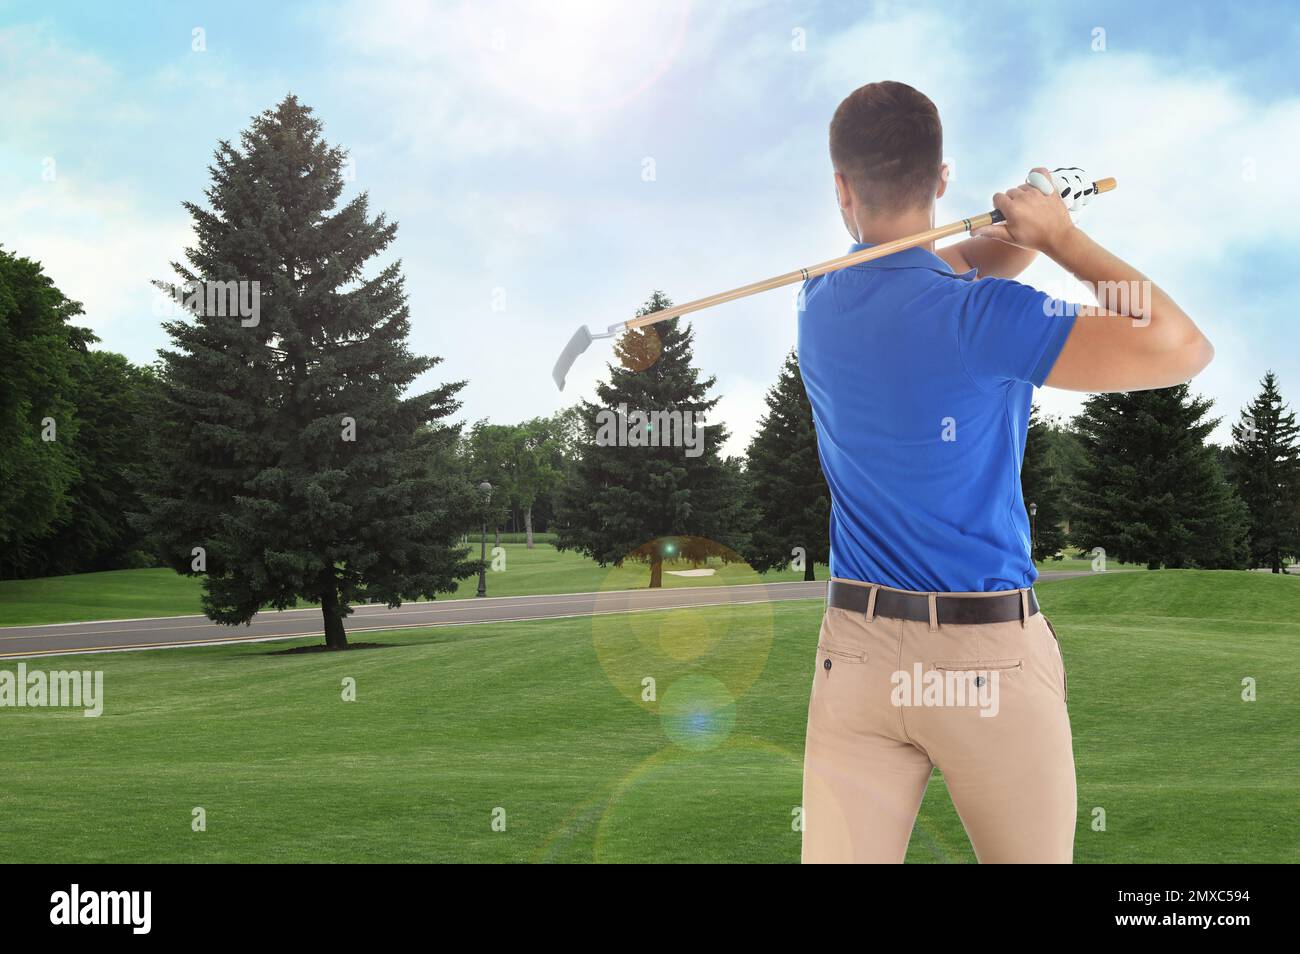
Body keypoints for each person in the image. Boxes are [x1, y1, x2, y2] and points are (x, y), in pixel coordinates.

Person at [797, 80, 1212, 863]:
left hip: (853, 658)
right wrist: (1061, 236)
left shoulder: (819, 298)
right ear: (943, 178)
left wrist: (1034, 214)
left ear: (842, 187)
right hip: (984, 661)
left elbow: (960, 263)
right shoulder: (989, 317)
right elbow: (1180, 346)